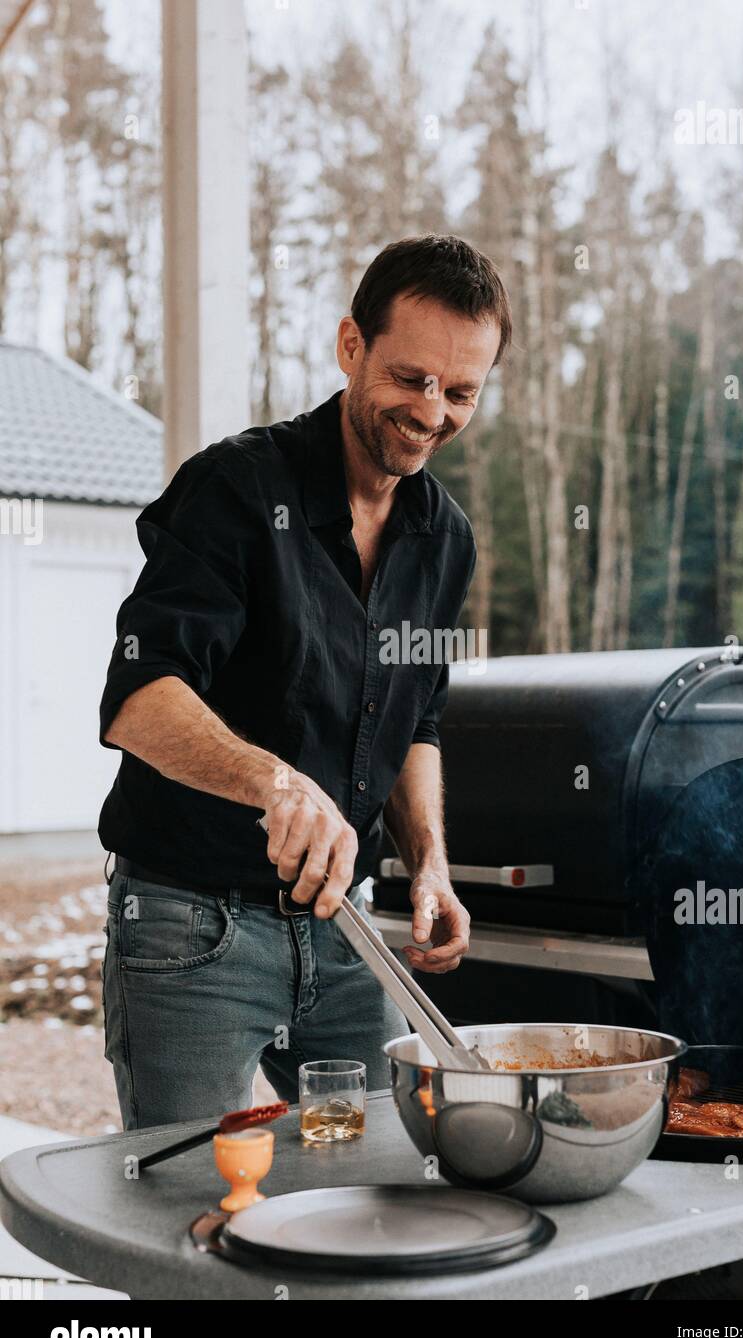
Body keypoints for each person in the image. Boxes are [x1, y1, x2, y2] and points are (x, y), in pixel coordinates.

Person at [98, 234, 512, 1128]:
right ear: (350, 346)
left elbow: (418, 720)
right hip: (190, 925)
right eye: (411, 378)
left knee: (376, 1200)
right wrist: (278, 784)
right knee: (193, 1219)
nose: (431, 411)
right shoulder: (235, 488)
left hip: (347, 927)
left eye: (461, 392)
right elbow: (138, 697)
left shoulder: (448, 539)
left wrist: (430, 864)